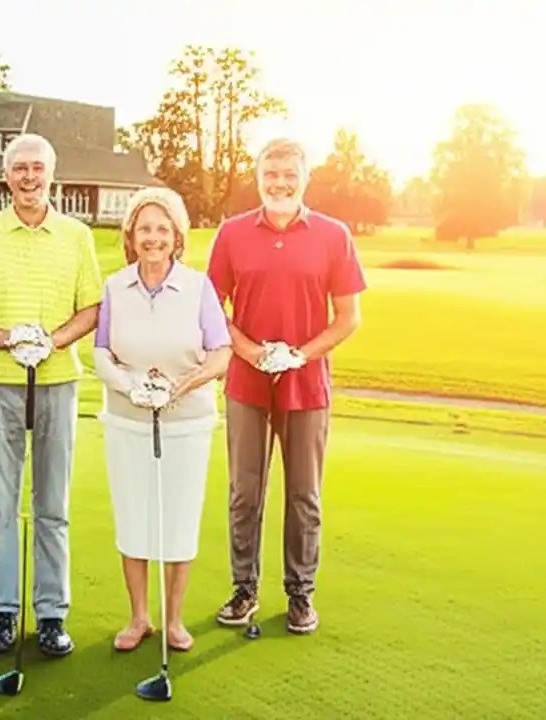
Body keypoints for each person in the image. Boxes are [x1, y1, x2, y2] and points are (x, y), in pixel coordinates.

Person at [206, 137, 367, 636]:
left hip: (307, 386)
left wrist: (300, 355)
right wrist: (253, 353)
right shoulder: (232, 234)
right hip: (246, 384)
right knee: (244, 493)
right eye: (270, 175)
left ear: (305, 177)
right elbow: (212, 312)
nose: (279, 183)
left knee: (304, 496)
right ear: (258, 178)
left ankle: (300, 594)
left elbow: (348, 318)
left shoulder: (334, 235)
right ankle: (244, 589)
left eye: (288, 174)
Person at [0, 133, 102, 657]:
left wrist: (50, 341)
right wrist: (7, 339)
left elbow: (90, 308)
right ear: (6, 176)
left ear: (51, 173)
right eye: (19, 168)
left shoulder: (76, 236)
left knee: (52, 504)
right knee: (0, 503)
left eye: (37, 168)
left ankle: (50, 614)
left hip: (58, 378)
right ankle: (2, 610)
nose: (28, 177)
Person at [92, 187, 231, 653]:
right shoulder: (114, 287)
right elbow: (101, 353)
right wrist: (131, 388)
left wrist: (181, 386)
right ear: (131, 235)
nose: (153, 238)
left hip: (187, 423)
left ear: (177, 236)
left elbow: (221, 354)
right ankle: (139, 618)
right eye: (144, 228)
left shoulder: (198, 288)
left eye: (162, 229)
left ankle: (174, 621)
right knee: (133, 516)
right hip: (127, 421)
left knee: (178, 520)